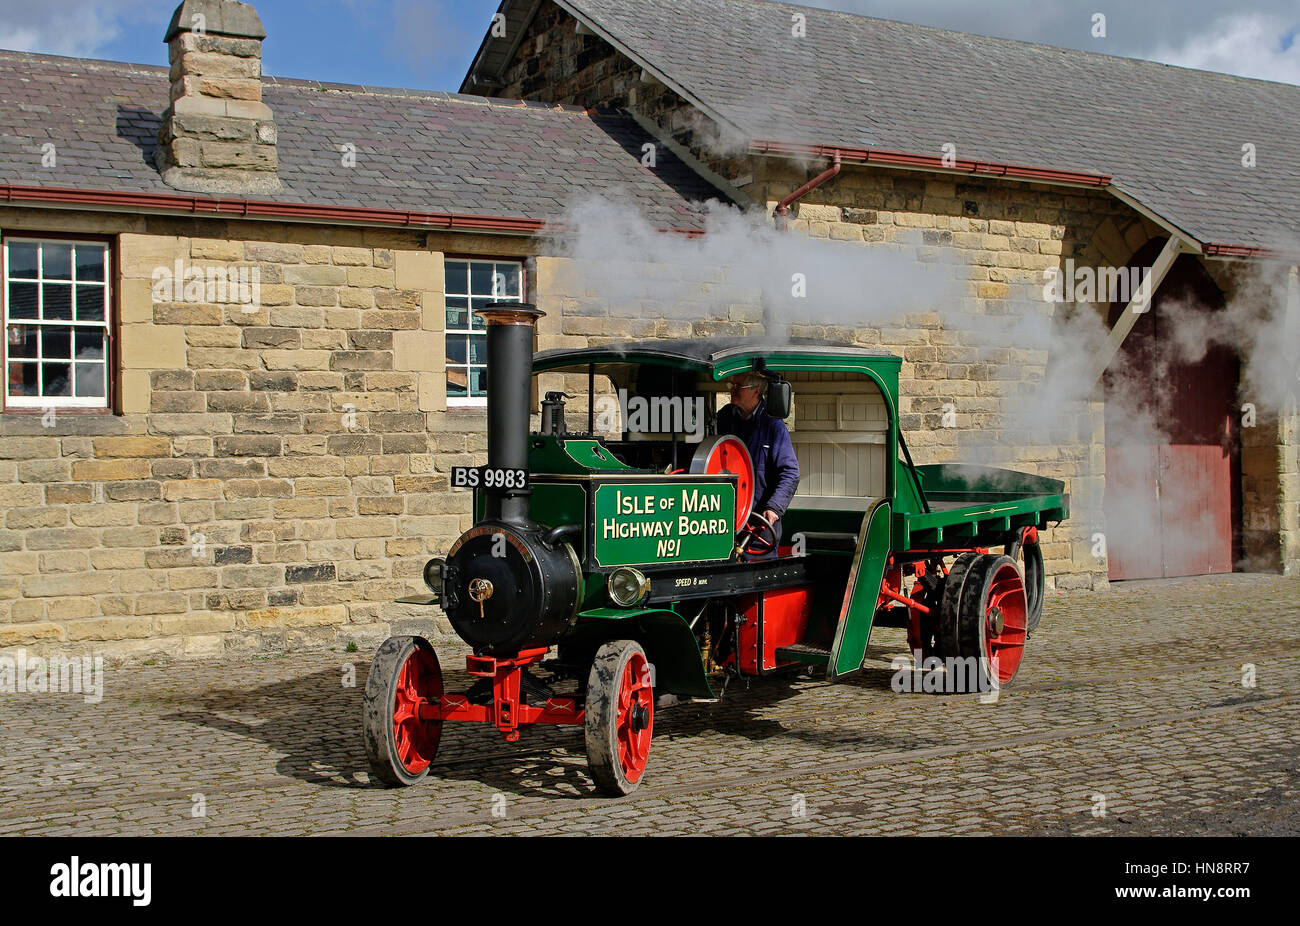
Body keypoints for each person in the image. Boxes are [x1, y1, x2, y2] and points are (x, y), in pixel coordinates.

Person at [716, 373, 800, 558]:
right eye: (732, 385)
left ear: (757, 390)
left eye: (738, 386)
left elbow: (790, 472)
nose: (732, 390)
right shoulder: (723, 419)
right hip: (724, 525)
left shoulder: (773, 426)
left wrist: (774, 508)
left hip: (758, 526)